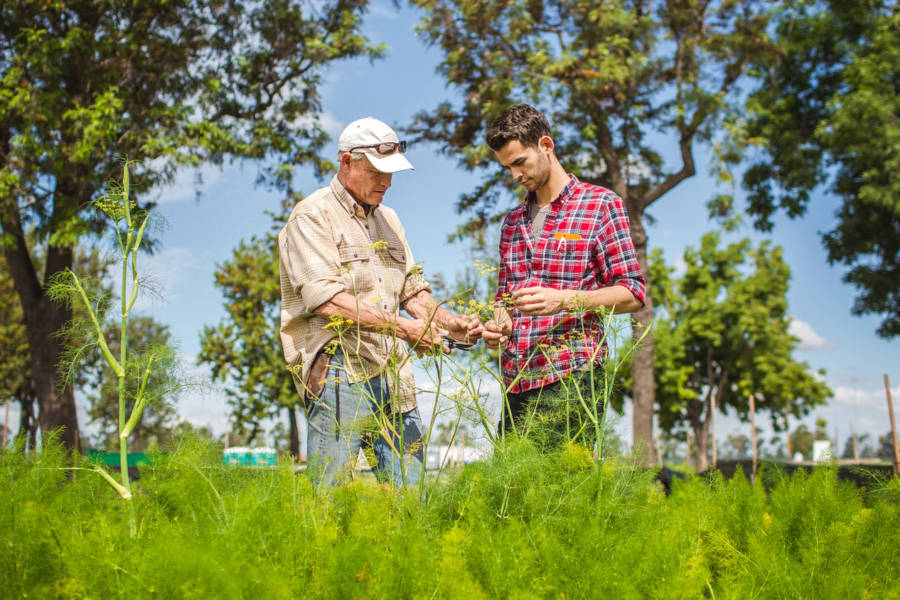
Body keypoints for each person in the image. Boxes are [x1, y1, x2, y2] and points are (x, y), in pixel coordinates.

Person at [278, 117, 482, 486]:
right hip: (341, 372)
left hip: (394, 372)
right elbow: (328, 302)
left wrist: (450, 321)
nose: (386, 182)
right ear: (346, 162)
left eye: (391, 174)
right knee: (331, 499)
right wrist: (406, 329)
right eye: (376, 172)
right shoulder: (312, 215)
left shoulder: (390, 219)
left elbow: (412, 291)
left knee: (412, 494)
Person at [481, 104, 646, 442]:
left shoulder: (601, 205)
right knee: (512, 491)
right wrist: (500, 324)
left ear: (546, 145)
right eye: (506, 167)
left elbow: (632, 293)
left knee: (567, 489)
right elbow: (504, 298)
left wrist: (564, 300)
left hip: (573, 377)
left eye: (519, 162)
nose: (514, 175)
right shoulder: (512, 223)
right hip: (518, 378)